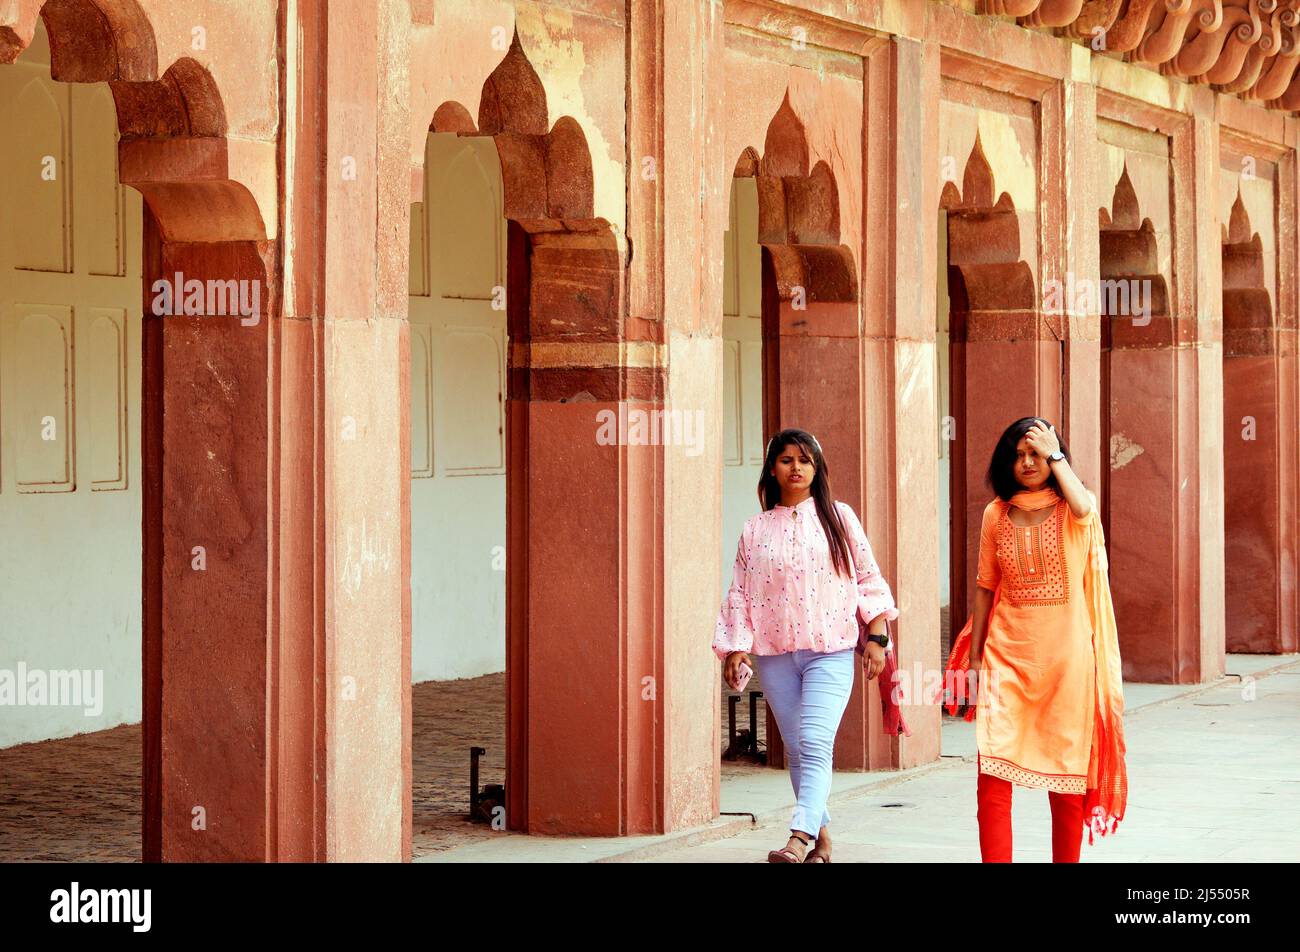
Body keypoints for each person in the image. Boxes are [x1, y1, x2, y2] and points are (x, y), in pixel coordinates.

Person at [944, 417, 1128, 862]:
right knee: (992, 772)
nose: (1027, 463)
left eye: (1037, 454)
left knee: (1067, 779)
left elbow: (1085, 508)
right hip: (1007, 654)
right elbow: (986, 586)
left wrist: (1058, 455)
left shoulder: (1074, 510)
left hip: (1067, 663)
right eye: (1019, 454)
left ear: (1054, 458)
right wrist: (974, 659)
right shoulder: (996, 513)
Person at [715, 427, 898, 863]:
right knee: (799, 748)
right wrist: (737, 646)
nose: (796, 468)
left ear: (817, 469)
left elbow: (868, 578)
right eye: (786, 460)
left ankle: (798, 835)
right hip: (776, 655)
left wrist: (877, 637)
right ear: (772, 469)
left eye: (805, 460)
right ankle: (824, 841)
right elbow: (740, 591)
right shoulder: (755, 529)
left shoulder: (839, 518)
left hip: (830, 650)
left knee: (815, 741)